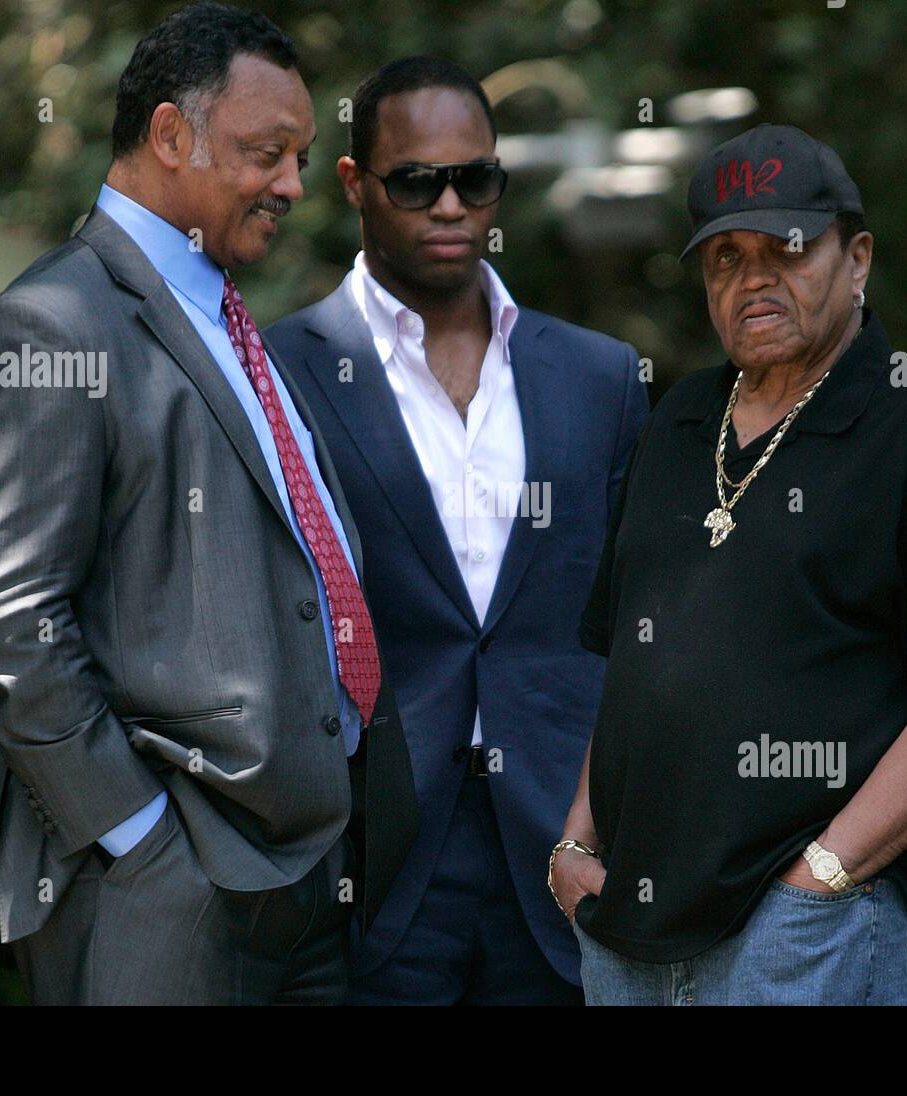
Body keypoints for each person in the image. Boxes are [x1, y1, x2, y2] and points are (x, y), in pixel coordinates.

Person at [0, 2, 416, 1004]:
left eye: (298, 154)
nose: (293, 183)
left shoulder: (237, 325)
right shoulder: (53, 319)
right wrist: (142, 844)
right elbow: (4, 619)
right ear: (168, 135)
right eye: (267, 152)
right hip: (161, 900)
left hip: (310, 887)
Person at [550, 123, 907, 1005]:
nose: (754, 279)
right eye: (726, 258)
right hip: (626, 933)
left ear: (857, 259)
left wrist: (820, 879)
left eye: (787, 248)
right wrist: (576, 848)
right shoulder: (678, 423)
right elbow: (634, 669)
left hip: (799, 939)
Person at [265, 57, 649, 1004]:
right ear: (355, 185)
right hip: (373, 857)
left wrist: (607, 828)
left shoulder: (600, 378)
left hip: (563, 851)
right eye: (415, 181)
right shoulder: (282, 370)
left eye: (474, 180)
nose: (449, 205)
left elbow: (639, 619)